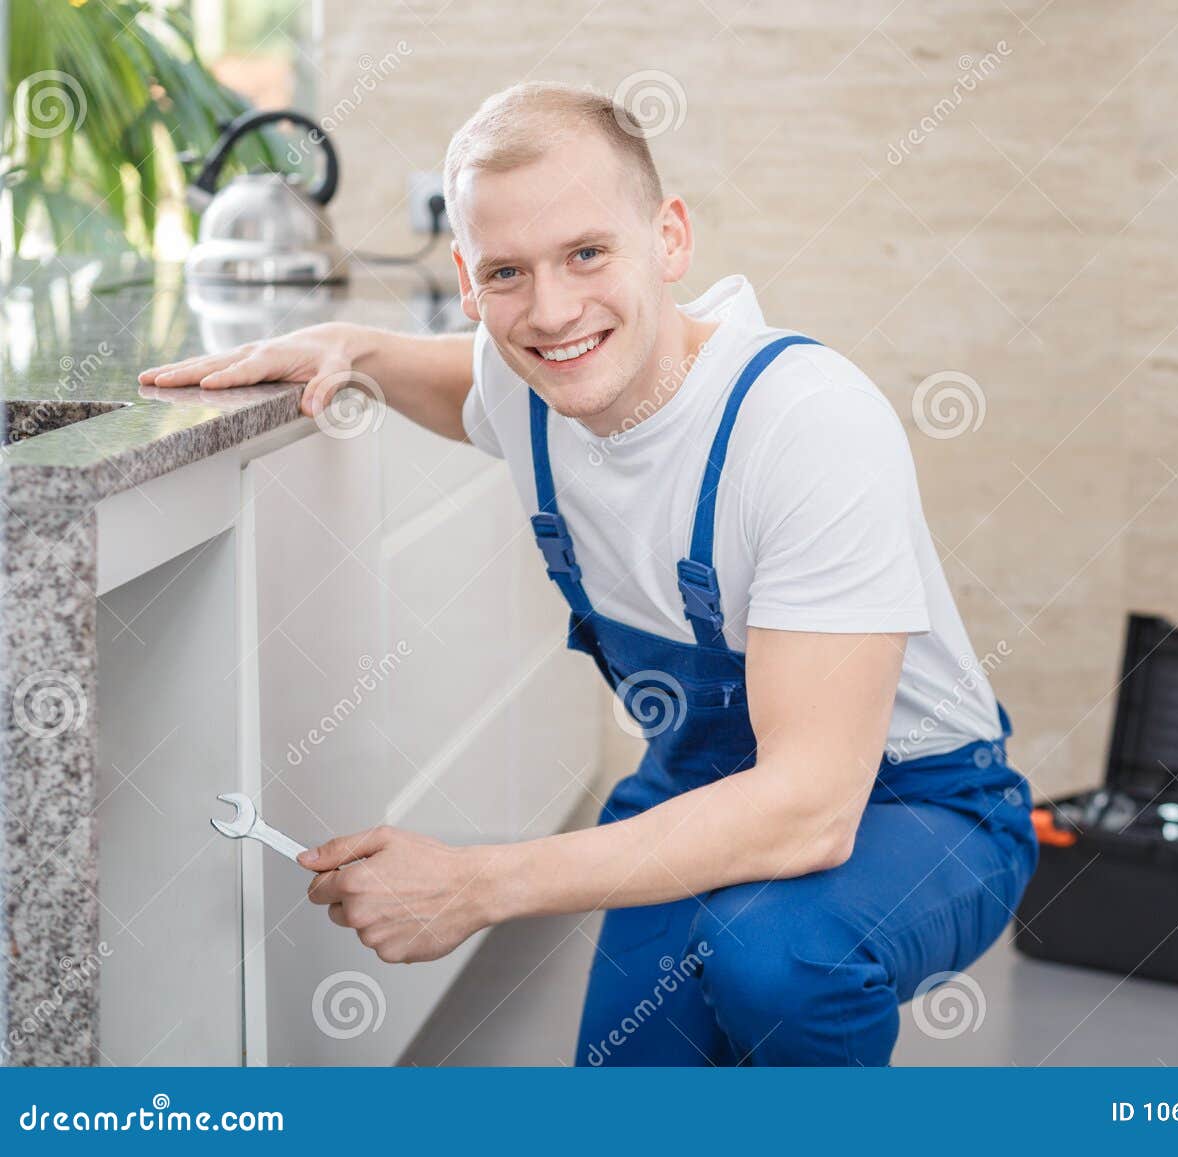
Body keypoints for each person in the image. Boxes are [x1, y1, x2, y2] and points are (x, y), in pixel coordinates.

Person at [141, 82, 1037, 1066]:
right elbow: (460, 382)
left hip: (916, 804)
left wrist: (476, 885)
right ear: (468, 281)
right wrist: (354, 346)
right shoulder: (521, 380)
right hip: (696, 784)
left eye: (587, 253)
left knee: (776, 954)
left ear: (670, 238)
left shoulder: (805, 426)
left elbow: (811, 808)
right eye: (508, 272)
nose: (553, 311)